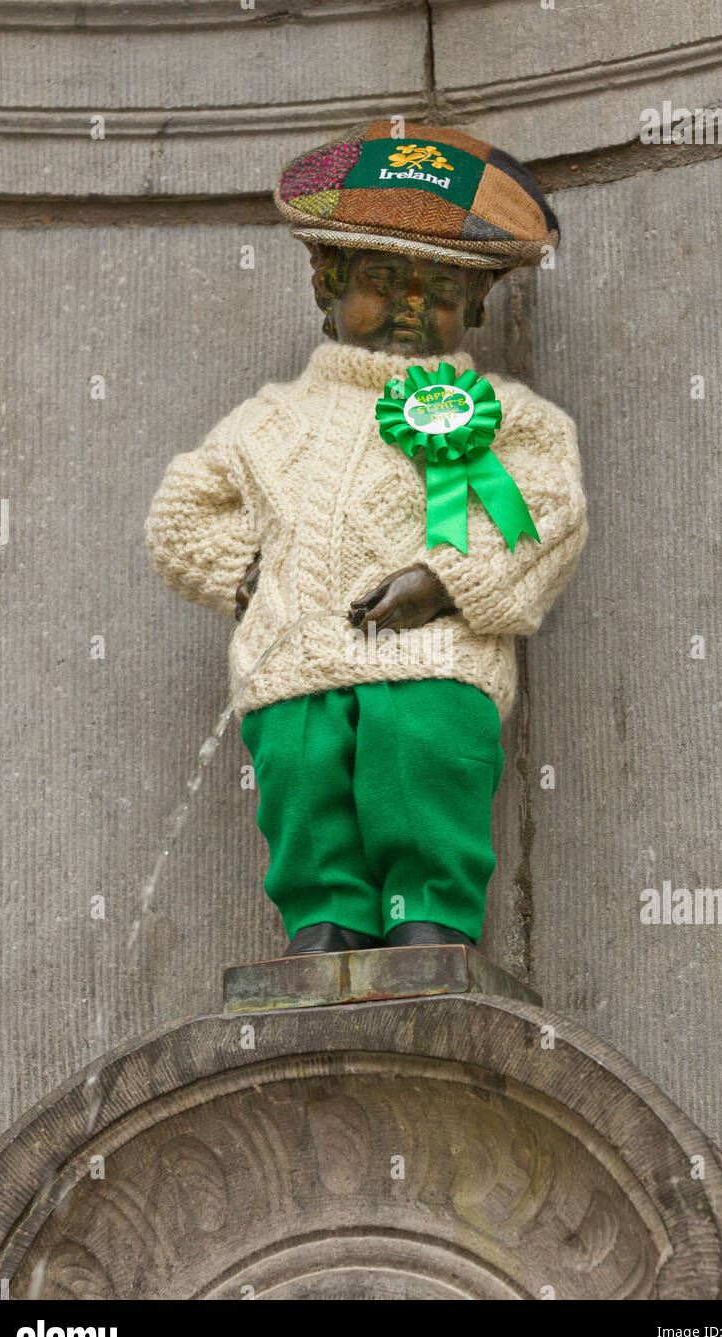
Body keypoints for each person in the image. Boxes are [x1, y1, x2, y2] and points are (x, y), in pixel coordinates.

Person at [145, 122, 587, 957]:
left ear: (478, 305)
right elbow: (182, 512)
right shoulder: (268, 423)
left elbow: (547, 513)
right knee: (302, 783)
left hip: (433, 661)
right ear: (326, 282)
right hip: (292, 661)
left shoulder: (508, 422)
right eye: (384, 280)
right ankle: (326, 923)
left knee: (425, 763)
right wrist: (241, 576)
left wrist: (450, 578)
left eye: (442, 286)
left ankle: (428, 918)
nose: (412, 304)